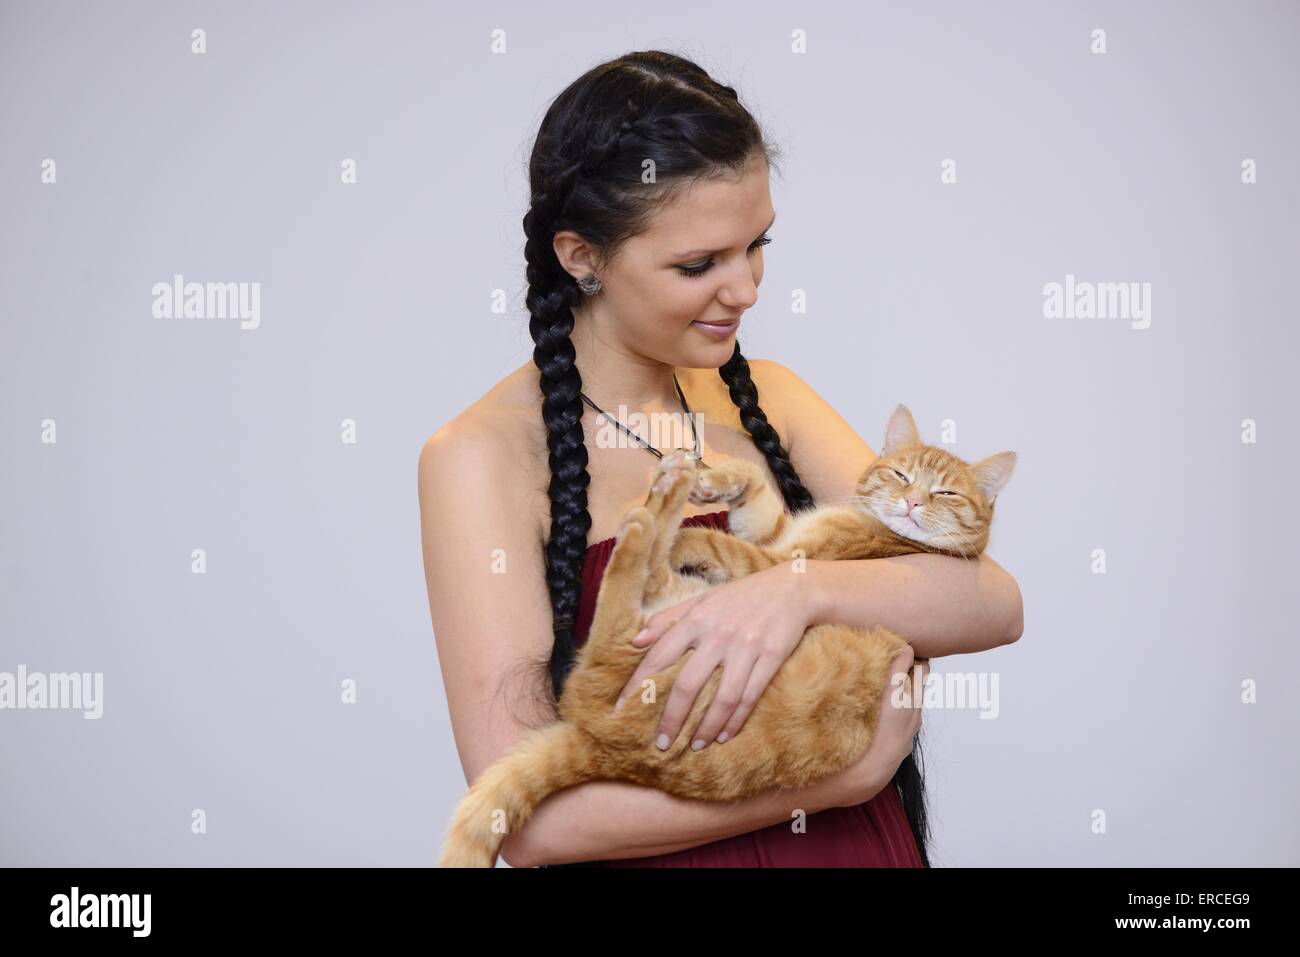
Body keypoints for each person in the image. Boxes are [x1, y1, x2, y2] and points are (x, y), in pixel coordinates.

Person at [418, 50, 1024, 867]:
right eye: (699, 264)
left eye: (756, 245)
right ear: (581, 257)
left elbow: (992, 602)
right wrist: (831, 782)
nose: (745, 290)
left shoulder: (770, 397)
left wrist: (791, 593)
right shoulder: (477, 456)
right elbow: (520, 822)